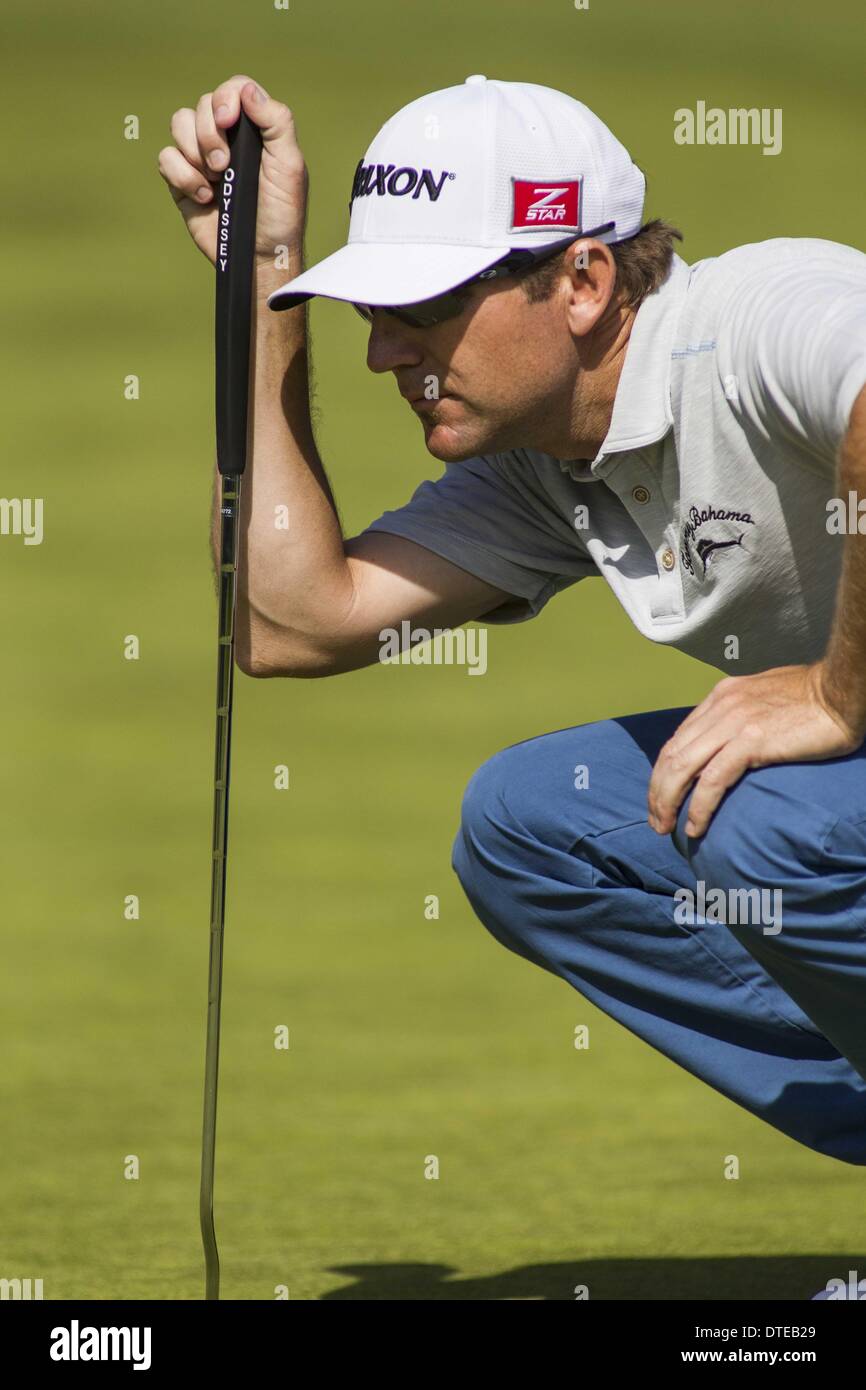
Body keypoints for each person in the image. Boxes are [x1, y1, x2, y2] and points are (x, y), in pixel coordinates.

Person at [160, 74, 866, 1186]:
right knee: (530, 827)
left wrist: (835, 689)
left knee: (762, 825)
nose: (384, 354)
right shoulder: (545, 464)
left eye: (424, 306)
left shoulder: (750, 322)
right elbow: (287, 623)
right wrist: (257, 280)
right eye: (371, 313)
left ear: (581, 278)